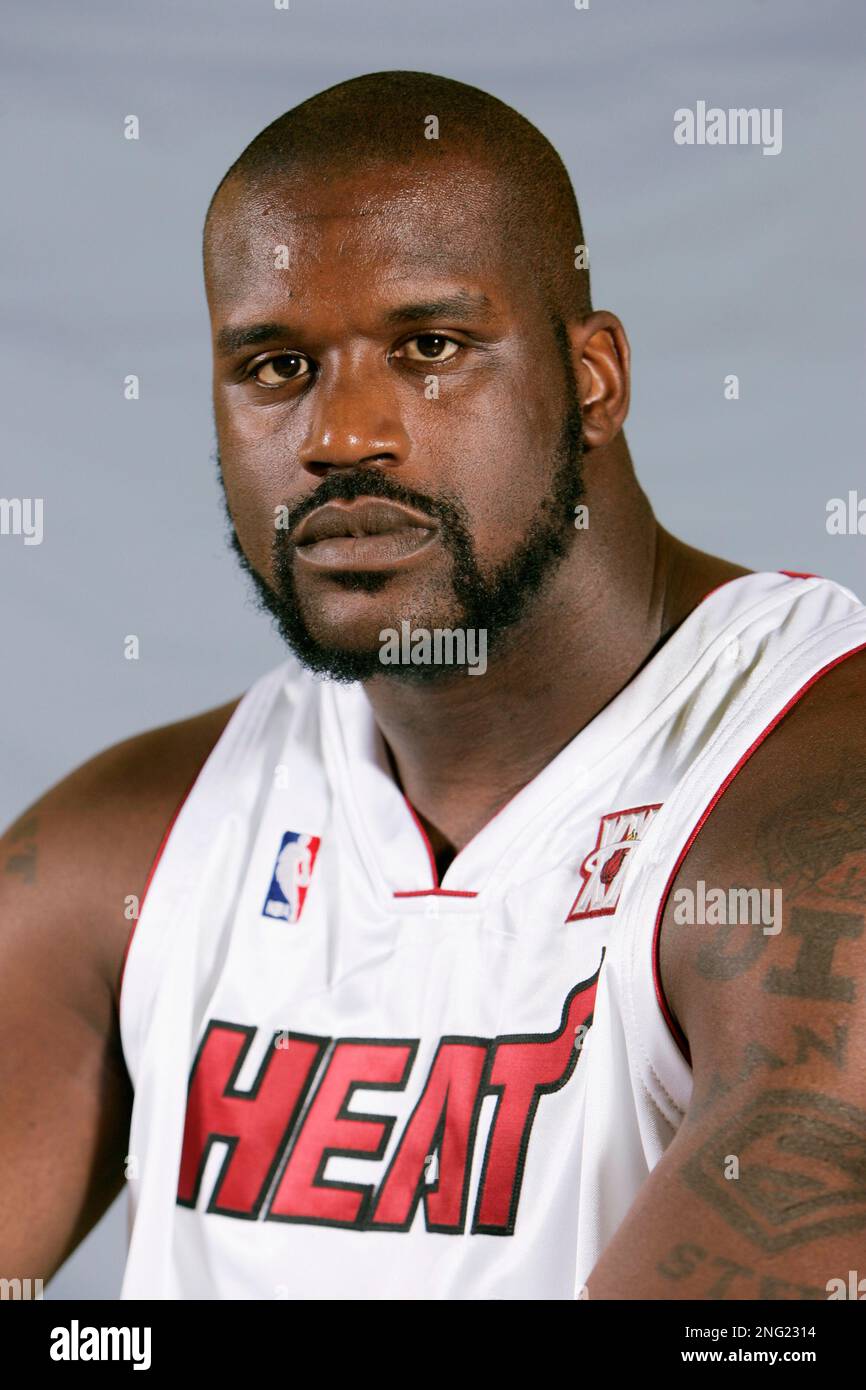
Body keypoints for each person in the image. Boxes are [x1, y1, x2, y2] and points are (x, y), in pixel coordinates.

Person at [2, 70, 864, 1301]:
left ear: (594, 380)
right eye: (274, 366)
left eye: (429, 348)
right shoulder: (130, 851)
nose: (342, 435)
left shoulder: (813, 821)